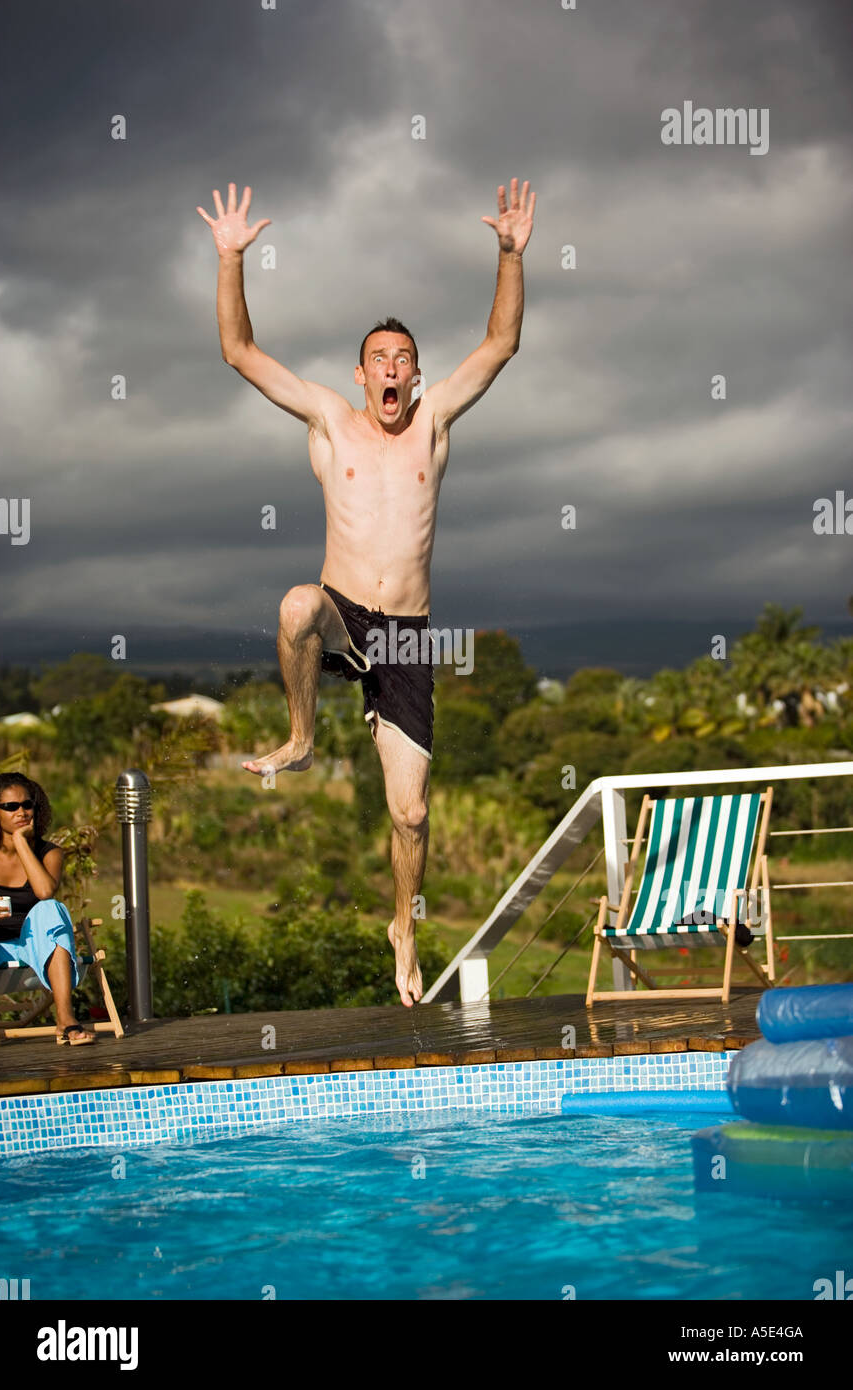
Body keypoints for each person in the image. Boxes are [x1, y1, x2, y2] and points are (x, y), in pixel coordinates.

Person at [196, 178, 536, 1006]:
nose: (393, 369)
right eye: (379, 358)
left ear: (417, 374)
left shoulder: (435, 420)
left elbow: (500, 345)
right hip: (342, 614)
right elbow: (240, 353)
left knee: (411, 815)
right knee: (293, 605)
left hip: (407, 636)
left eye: (404, 359)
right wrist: (234, 260)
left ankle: (403, 930)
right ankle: (302, 734)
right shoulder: (326, 419)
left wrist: (509, 254)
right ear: (360, 372)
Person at [0, 773, 95, 1046]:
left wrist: (22, 843)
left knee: (50, 908)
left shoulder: (49, 853)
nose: (21, 811)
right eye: (11, 807)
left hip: (33, 944)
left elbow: (44, 891)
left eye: (27, 804)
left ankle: (65, 1018)